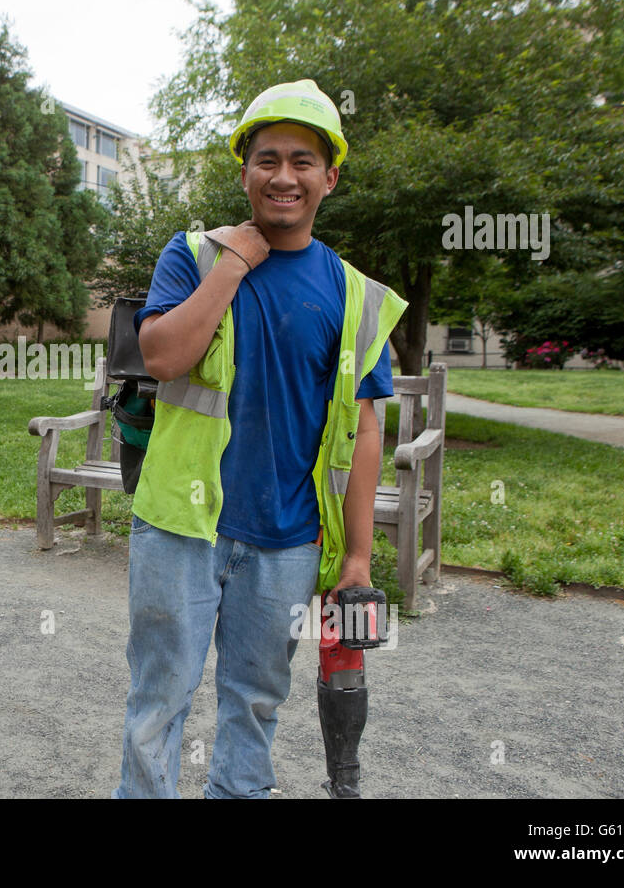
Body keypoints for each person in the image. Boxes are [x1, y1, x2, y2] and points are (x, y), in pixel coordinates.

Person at [113, 79, 406, 798]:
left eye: (303, 161)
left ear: (329, 177)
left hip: (288, 540)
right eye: (267, 159)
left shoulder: (355, 295)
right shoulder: (190, 256)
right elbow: (162, 357)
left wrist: (359, 555)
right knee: (160, 701)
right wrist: (236, 263)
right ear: (243, 171)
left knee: (255, 702)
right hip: (183, 525)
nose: (284, 176)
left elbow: (365, 429)